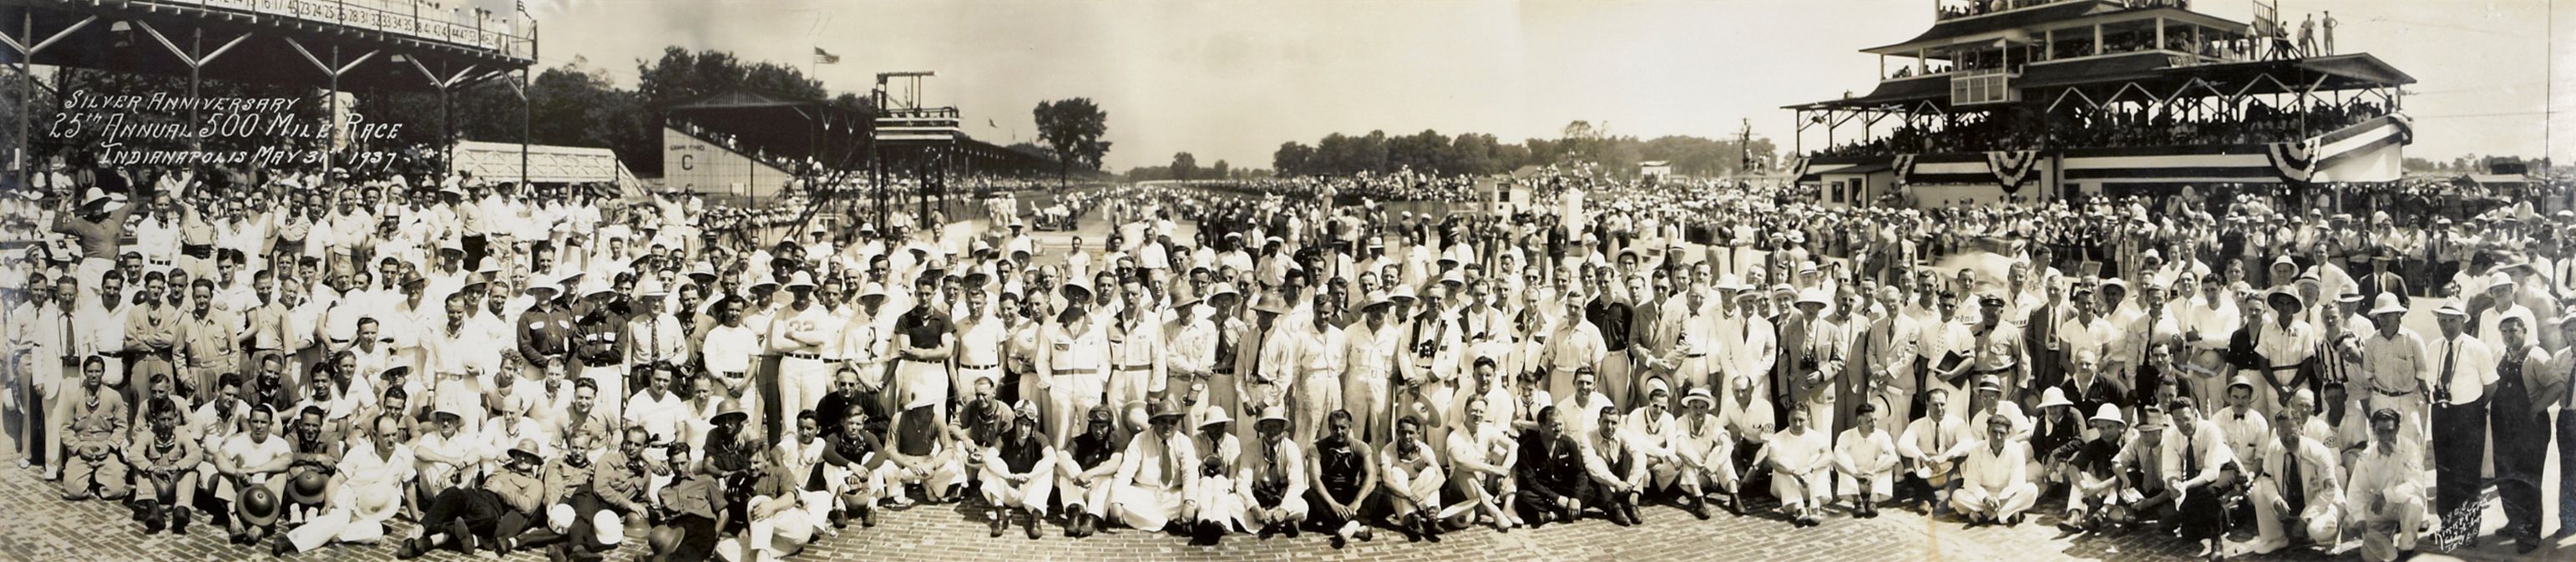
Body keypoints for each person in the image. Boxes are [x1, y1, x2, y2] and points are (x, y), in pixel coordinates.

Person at [2343, 408, 2430, 562]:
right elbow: (2356, 490)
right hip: (2381, 509)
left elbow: (2416, 485)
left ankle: (2406, 549)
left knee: (2415, 504)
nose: (2385, 437)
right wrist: (2360, 518)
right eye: (2380, 432)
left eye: (2390, 431)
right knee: (2351, 523)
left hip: (2404, 505)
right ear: (2373, 431)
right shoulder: (2367, 456)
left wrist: (2386, 495)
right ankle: (2387, 534)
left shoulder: (2410, 449)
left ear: (2397, 429)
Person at [1110, 398, 1202, 537]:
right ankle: (1170, 524)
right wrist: (1116, 503)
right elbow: (1125, 472)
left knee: (1197, 497)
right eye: (1163, 421)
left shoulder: (1183, 441)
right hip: (1145, 494)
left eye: (1173, 422)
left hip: (1173, 495)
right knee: (1121, 501)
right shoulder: (1140, 440)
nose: (1168, 426)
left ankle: (1155, 520)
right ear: (1154, 422)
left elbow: (1190, 474)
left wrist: (1189, 503)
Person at [979, 401, 1055, 539]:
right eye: (1021, 424)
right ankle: (1001, 516)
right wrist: (1008, 476)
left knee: (1047, 469)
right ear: (1015, 423)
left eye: (1027, 425)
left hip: (1030, 495)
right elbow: (988, 458)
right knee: (990, 466)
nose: (1023, 429)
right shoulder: (1005, 437)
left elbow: (1052, 458)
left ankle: (1036, 519)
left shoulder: (1039, 438)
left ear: (1033, 425)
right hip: (1008, 489)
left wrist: (1030, 476)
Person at [1307, 408, 1379, 549]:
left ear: (1350, 427)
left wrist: (1357, 501)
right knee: (1309, 495)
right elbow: (1314, 480)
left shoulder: (1360, 446)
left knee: (1378, 489)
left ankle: (1344, 525)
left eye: (1343, 428)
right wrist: (1333, 505)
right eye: (1335, 428)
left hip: (1350, 497)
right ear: (1329, 428)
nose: (1338, 432)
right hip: (1328, 498)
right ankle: (1355, 526)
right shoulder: (1317, 448)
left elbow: (1372, 475)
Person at [1238, 406, 1308, 539]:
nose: (1271, 431)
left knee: (1303, 507)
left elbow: (1297, 484)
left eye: (1275, 426)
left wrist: (1284, 509)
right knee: (1232, 502)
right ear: (1262, 429)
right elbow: (1242, 482)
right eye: (1267, 427)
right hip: (1259, 499)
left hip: (1281, 499)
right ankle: (1280, 524)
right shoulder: (1251, 448)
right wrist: (1254, 507)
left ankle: (1265, 523)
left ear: (1282, 428)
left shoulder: (1291, 448)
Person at [1757, 407, 1831, 526]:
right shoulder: (1777, 438)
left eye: (1801, 420)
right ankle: (1798, 509)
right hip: (1784, 489)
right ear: (1788, 419)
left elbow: (1828, 455)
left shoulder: (1817, 436)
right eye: (1793, 420)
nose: (1797, 424)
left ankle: (1815, 507)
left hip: (1809, 485)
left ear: (1808, 418)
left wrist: (1809, 468)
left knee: (1818, 461)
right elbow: (1772, 459)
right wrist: (1794, 472)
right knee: (1784, 461)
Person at [1056, 404, 1121, 538]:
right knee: (1068, 468)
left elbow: (1115, 463)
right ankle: (1074, 513)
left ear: (1109, 427)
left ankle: (1092, 517)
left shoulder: (1116, 443)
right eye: (1095, 426)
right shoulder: (1079, 441)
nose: (1098, 431)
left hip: (1098, 492)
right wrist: (1075, 477)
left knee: (1107, 471)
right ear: (1090, 426)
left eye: (1102, 427)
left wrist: (1089, 474)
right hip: (1079, 490)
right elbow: (1061, 458)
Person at [1381, 414, 1446, 540]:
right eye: (1403, 432)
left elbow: (1441, 477)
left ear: (1418, 433)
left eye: (1411, 433)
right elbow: (1386, 481)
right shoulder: (1388, 451)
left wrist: (1422, 493)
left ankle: (1432, 517)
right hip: (1400, 495)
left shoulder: (1424, 449)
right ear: (1398, 432)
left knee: (1430, 472)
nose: (1407, 437)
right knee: (1396, 472)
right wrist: (1410, 496)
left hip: (1418, 493)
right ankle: (1413, 520)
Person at [1832, 402, 1898, 518]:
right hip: (1853, 481)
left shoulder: (1882, 435)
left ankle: (1873, 501)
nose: (1874, 424)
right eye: (1869, 421)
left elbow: (1894, 458)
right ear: (1859, 422)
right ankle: (1857, 501)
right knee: (1843, 458)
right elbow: (1835, 461)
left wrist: (1875, 472)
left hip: (1874, 481)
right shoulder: (1846, 435)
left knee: (1886, 458)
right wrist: (1855, 475)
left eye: (1875, 420)